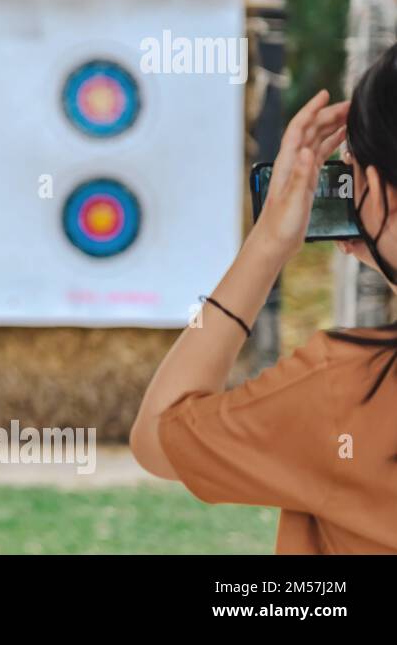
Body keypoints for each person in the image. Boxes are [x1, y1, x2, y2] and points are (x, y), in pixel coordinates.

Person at [132, 45, 397, 554]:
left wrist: (267, 245)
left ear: (379, 189)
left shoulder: (344, 387)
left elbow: (158, 434)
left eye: (354, 175)